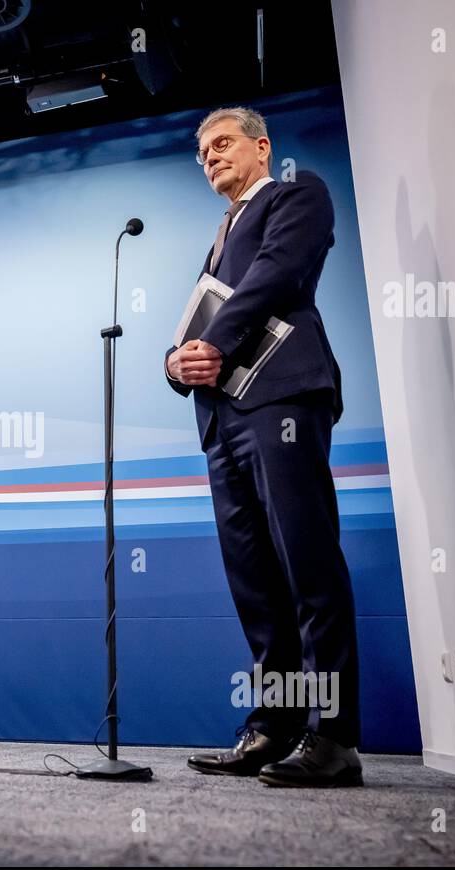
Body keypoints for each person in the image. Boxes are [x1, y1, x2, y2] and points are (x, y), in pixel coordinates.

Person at [165, 107, 362, 786]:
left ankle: (334, 739)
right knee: (257, 585)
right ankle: (275, 727)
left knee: (308, 567)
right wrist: (175, 363)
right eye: (202, 152)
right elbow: (200, 320)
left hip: (279, 403)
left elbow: (276, 276)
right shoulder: (218, 237)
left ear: (261, 147)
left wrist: (210, 346)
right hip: (223, 422)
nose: (210, 156)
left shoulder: (295, 195)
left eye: (222, 143)